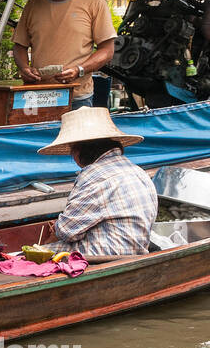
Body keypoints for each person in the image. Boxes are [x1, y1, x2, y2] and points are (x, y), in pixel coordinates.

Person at [38, 106, 157, 257]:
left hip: (105, 255)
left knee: (28, 255)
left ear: (79, 151)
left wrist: (52, 234)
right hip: (135, 252)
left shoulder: (95, 175)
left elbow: (67, 231)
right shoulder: (138, 171)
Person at [12, 0, 118, 109]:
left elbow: (107, 51)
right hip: (38, 95)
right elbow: (19, 46)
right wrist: (25, 68)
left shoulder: (94, 3)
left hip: (77, 97)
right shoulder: (34, 3)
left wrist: (79, 70)